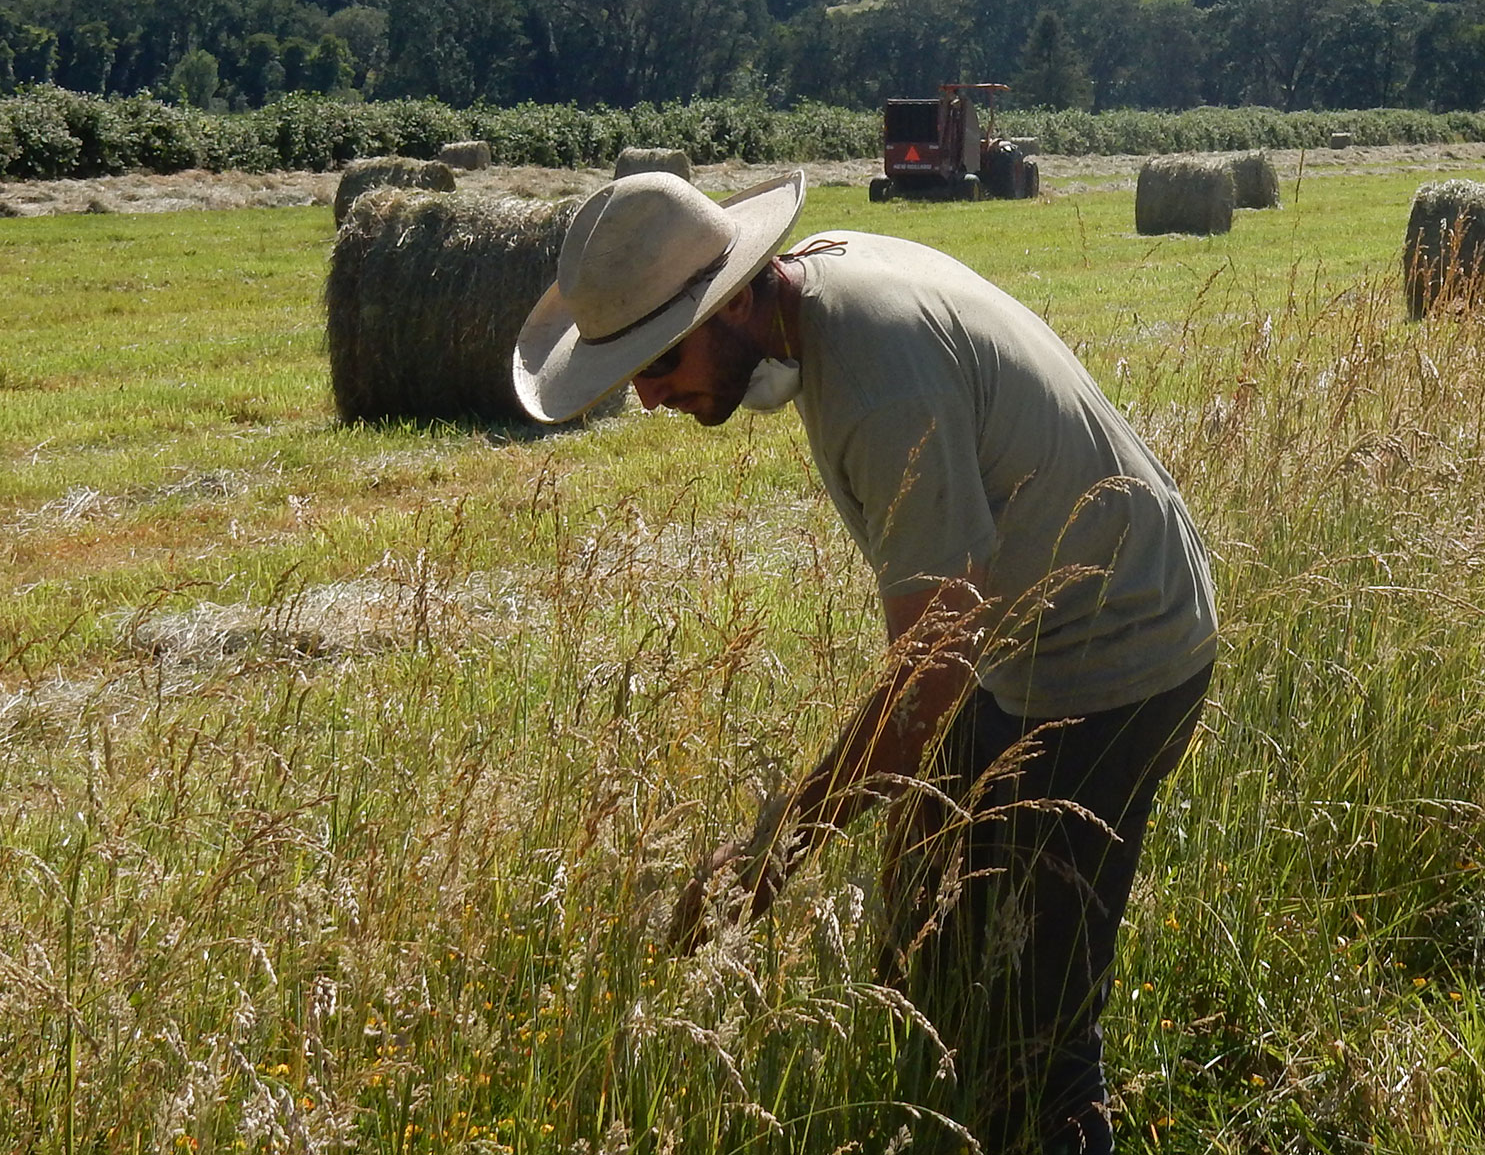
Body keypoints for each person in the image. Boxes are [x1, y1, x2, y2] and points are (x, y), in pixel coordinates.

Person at [512, 168, 1218, 1155]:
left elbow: (932, 664)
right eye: (629, 370)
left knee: (1034, 1029)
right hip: (1032, 647)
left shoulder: (877, 379)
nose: (649, 394)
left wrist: (768, 856)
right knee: (927, 936)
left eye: (661, 358)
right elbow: (947, 645)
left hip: (1115, 656)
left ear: (736, 298)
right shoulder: (824, 287)